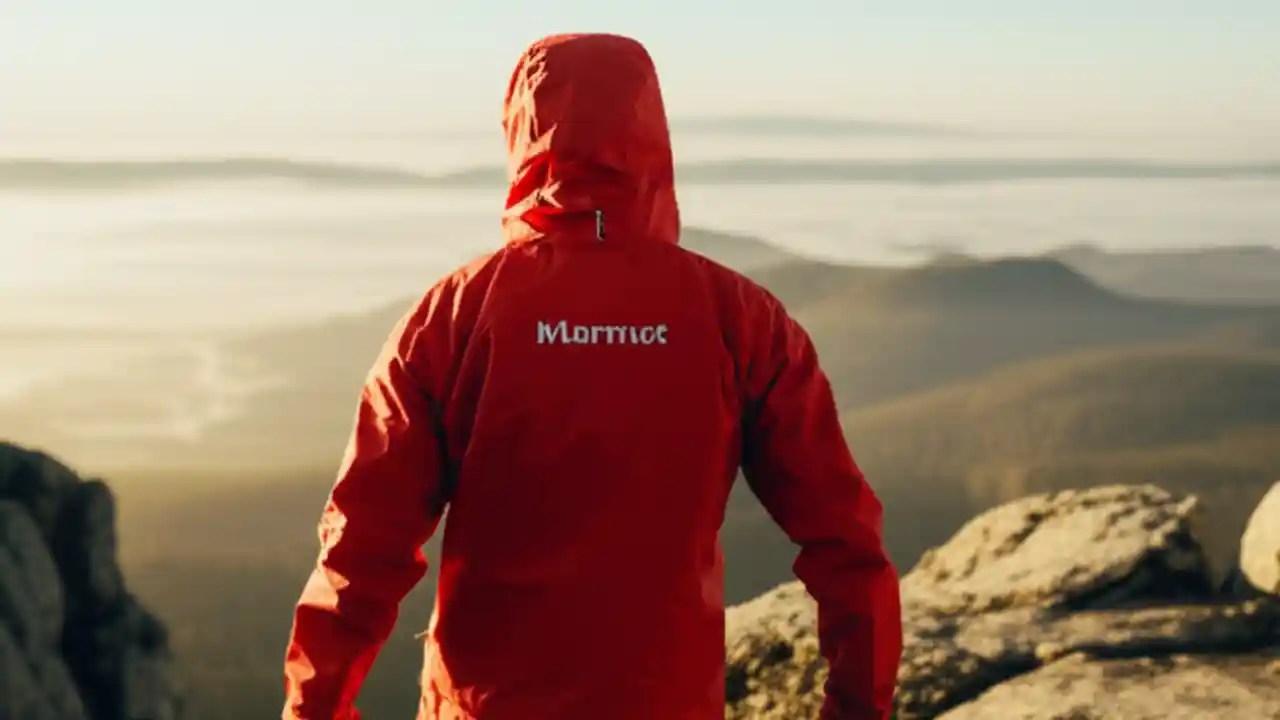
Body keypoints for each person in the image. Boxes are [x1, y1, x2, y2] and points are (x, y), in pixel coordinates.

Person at [282, 32, 902, 720]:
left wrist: (312, 712)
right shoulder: (741, 319)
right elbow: (847, 545)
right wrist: (856, 710)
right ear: (652, 132)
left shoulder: (453, 316)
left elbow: (359, 553)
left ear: (521, 130)